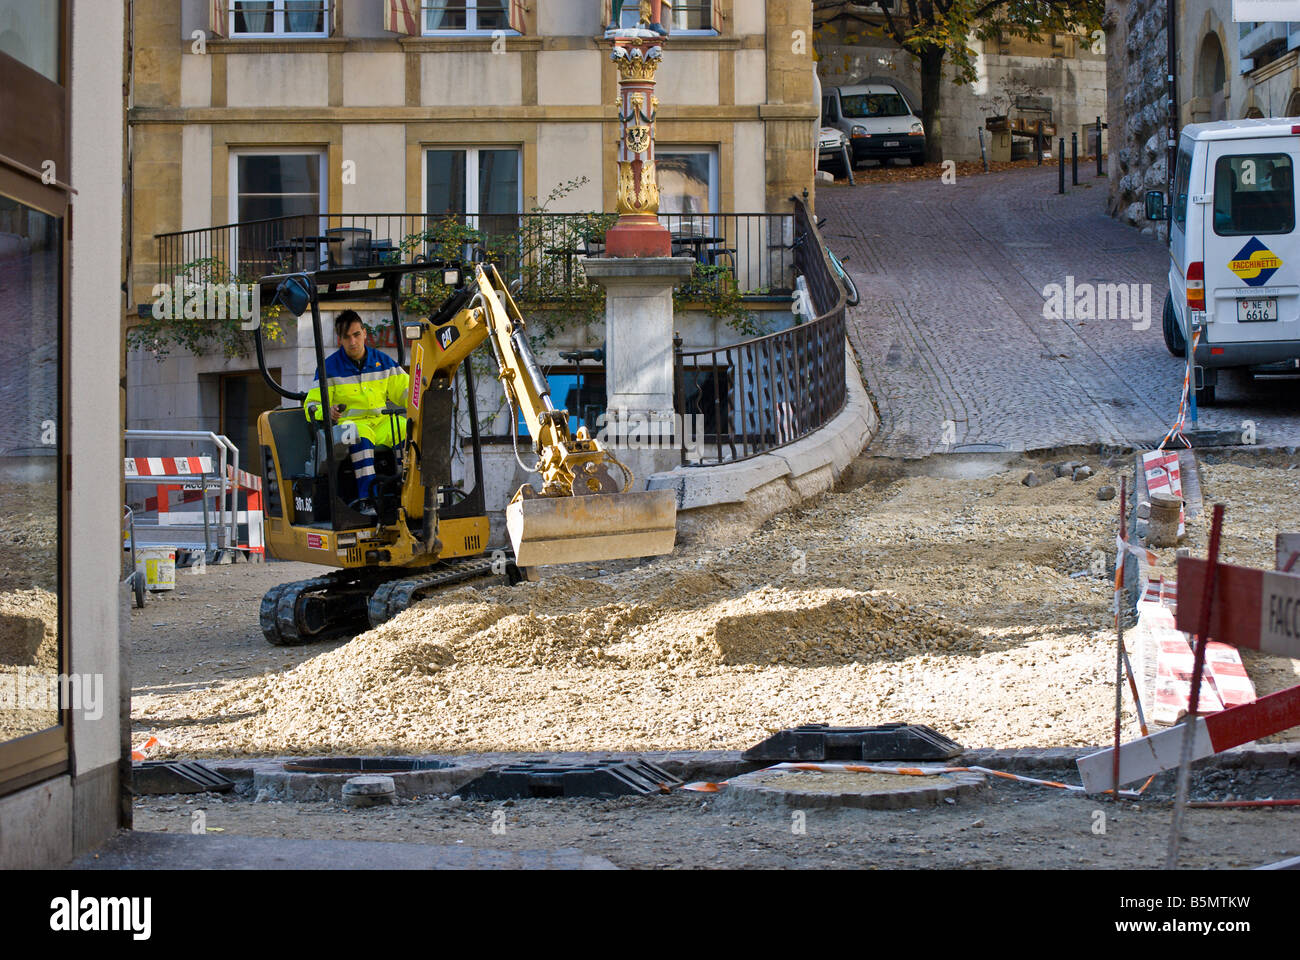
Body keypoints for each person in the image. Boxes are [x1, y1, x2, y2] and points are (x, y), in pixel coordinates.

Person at [304, 310, 409, 516]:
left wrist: (425, 396)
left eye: (356, 334)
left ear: (364, 333)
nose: (353, 341)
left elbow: (408, 393)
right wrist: (328, 412)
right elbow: (311, 406)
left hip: (380, 422)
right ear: (339, 340)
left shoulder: (383, 362)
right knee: (359, 435)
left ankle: (406, 493)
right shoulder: (329, 368)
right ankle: (367, 500)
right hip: (350, 425)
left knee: (406, 429)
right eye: (346, 337)